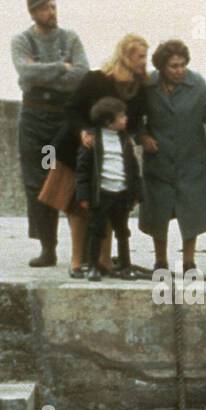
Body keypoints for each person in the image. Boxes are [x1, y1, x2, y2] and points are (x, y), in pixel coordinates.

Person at [45, 33, 148, 278]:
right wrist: (84, 130)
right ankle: (76, 261)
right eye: (140, 56)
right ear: (126, 56)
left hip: (109, 152)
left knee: (109, 202)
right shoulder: (95, 79)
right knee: (79, 207)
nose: (145, 61)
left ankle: (103, 260)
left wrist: (141, 136)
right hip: (77, 149)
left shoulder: (139, 86)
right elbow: (71, 109)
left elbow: (135, 121)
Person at [138, 39, 206, 272]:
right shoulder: (148, 84)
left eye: (182, 65)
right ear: (162, 66)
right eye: (173, 66)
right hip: (158, 159)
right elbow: (133, 116)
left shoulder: (197, 84)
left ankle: (189, 261)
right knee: (157, 211)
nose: (179, 70)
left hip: (191, 159)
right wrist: (141, 137)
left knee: (191, 210)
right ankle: (160, 260)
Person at [12, 0, 88, 268]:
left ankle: (82, 249)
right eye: (45, 8)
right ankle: (48, 247)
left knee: (70, 176)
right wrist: (60, 67)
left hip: (62, 120)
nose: (52, 12)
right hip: (35, 122)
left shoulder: (70, 39)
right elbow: (25, 72)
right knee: (39, 180)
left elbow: (80, 74)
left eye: (54, 6)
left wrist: (42, 71)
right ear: (33, 12)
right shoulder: (22, 41)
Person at [75, 97, 141, 282]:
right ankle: (93, 266)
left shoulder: (126, 141)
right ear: (108, 121)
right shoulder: (93, 141)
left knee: (123, 231)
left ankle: (126, 266)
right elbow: (83, 171)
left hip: (121, 192)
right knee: (97, 230)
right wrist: (84, 195)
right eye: (121, 116)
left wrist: (136, 192)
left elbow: (134, 169)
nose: (126, 119)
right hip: (101, 193)